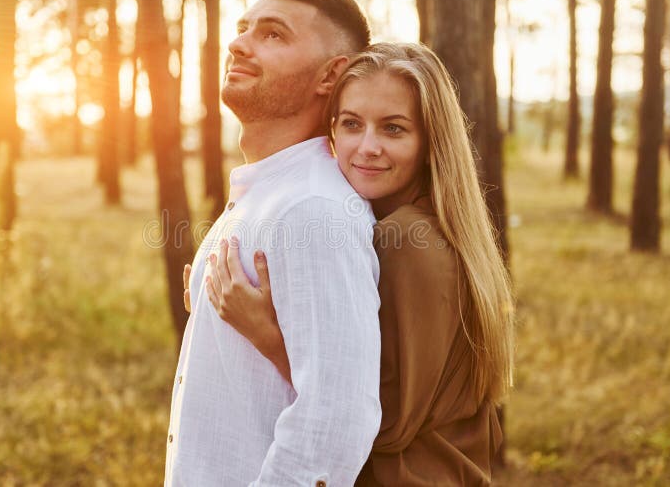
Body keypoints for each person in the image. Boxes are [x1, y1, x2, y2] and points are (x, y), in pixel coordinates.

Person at [200, 43, 515, 485]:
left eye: (393, 129)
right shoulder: (425, 226)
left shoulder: (406, 239)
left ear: (430, 142)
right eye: (351, 124)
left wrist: (265, 333)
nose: (367, 147)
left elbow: (375, 420)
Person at [165, 0, 384, 486]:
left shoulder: (312, 210)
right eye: (243, 28)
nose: (238, 43)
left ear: (331, 75)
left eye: (273, 34)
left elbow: (336, 418)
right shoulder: (267, 191)